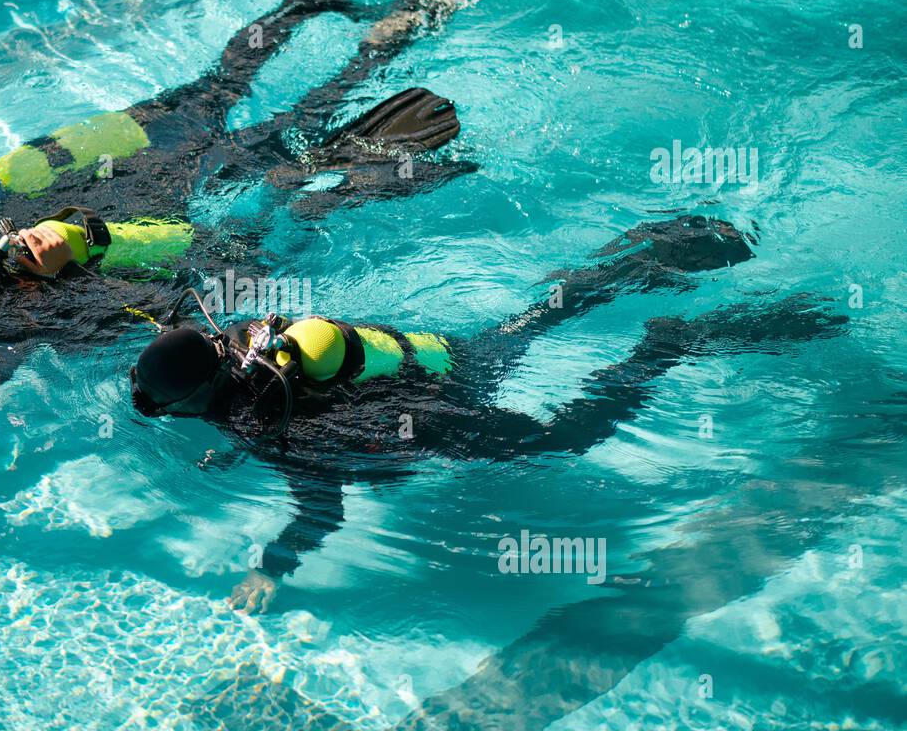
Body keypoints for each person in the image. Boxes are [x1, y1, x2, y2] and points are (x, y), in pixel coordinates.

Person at [0, 0, 491, 430]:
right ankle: (312, 2)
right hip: (149, 165)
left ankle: (412, 19)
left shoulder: (18, 315)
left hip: (182, 194)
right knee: (227, 87)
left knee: (300, 120)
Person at [128, 215, 849, 613]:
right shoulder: (250, 344)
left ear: (195, 402)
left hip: (439, 415)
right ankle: (652, 250)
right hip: (436, 359)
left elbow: (324, 510)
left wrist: (272, 569)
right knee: (530, 322)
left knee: (560, 440)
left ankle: (665, 348)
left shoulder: (265, 425)